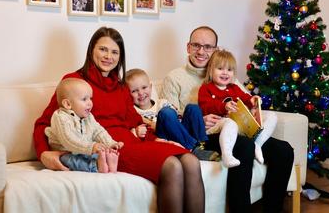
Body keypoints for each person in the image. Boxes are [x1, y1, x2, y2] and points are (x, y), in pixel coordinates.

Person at [34, 26, 205, 213]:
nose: (109, 56)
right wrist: (43, 153)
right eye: (103, 49)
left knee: (190, 161)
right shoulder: (74, 82)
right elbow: (43, 123)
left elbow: (136, 124)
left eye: (115, 52)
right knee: (172, 165)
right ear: (92, 50)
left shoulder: (122, 87)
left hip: (130, 142)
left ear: (120, 56)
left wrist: (156, 139)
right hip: (107, 149)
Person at [162, 26, 294, 213]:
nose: (201, 51)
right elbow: (169, 121)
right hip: (206, 135)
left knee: (283, 150)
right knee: (244, 146)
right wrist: (199, 120)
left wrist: (254, 109)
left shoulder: (225, 73)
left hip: (237, 129)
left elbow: (246, 101)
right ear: (188, 47)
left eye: (208, 47)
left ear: (215, 50)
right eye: (196, 45)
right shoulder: (174, 78)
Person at [199, 49, 279, 168]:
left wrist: (253, 100)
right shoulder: (206, 88)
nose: (225, 73)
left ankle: (257, 144)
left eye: (229, 70)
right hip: (218, 125)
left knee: (272, 116)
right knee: (230, 122)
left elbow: (246, 98)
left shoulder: (234, 88)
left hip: (240, 127)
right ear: (211, 70)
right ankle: (227, 155)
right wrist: (223, 106)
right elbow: (205, 106)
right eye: (220, 69)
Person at [125, 68, 219, 161]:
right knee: (166, 112)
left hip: (180, 133)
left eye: (144, 87)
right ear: (127, 94)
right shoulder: (133, 112)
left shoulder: (162, 103)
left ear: (150, 87)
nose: (141, 93)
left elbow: (179, 118)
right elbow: (136, 133)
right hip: (164, 138)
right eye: (134, 91)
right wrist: (137, 131)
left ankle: (203, 144)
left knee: (192, 108)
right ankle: (193, 149)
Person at [45, 78, 123, 173]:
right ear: (67, 104)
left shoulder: (88, 117)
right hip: (65, 151)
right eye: (84, 99)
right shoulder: (60, 117)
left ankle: (107, 160)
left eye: (90, 98)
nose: (90, 103)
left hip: (83, 150)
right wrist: (91, 147)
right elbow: (69, 140)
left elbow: (98, 131)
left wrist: (110, 143)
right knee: (67, 159)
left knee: (98, 154)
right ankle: (95, 166)